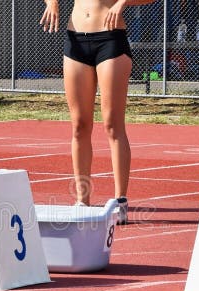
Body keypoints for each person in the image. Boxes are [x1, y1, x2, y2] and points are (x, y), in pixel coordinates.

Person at [40, 0, 156, 225]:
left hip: (110, 39)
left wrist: (122, 3)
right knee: (79, 126)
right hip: (75, 40)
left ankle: (120, 199)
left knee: (112, 124)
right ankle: (82, 200)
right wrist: (52, 2)